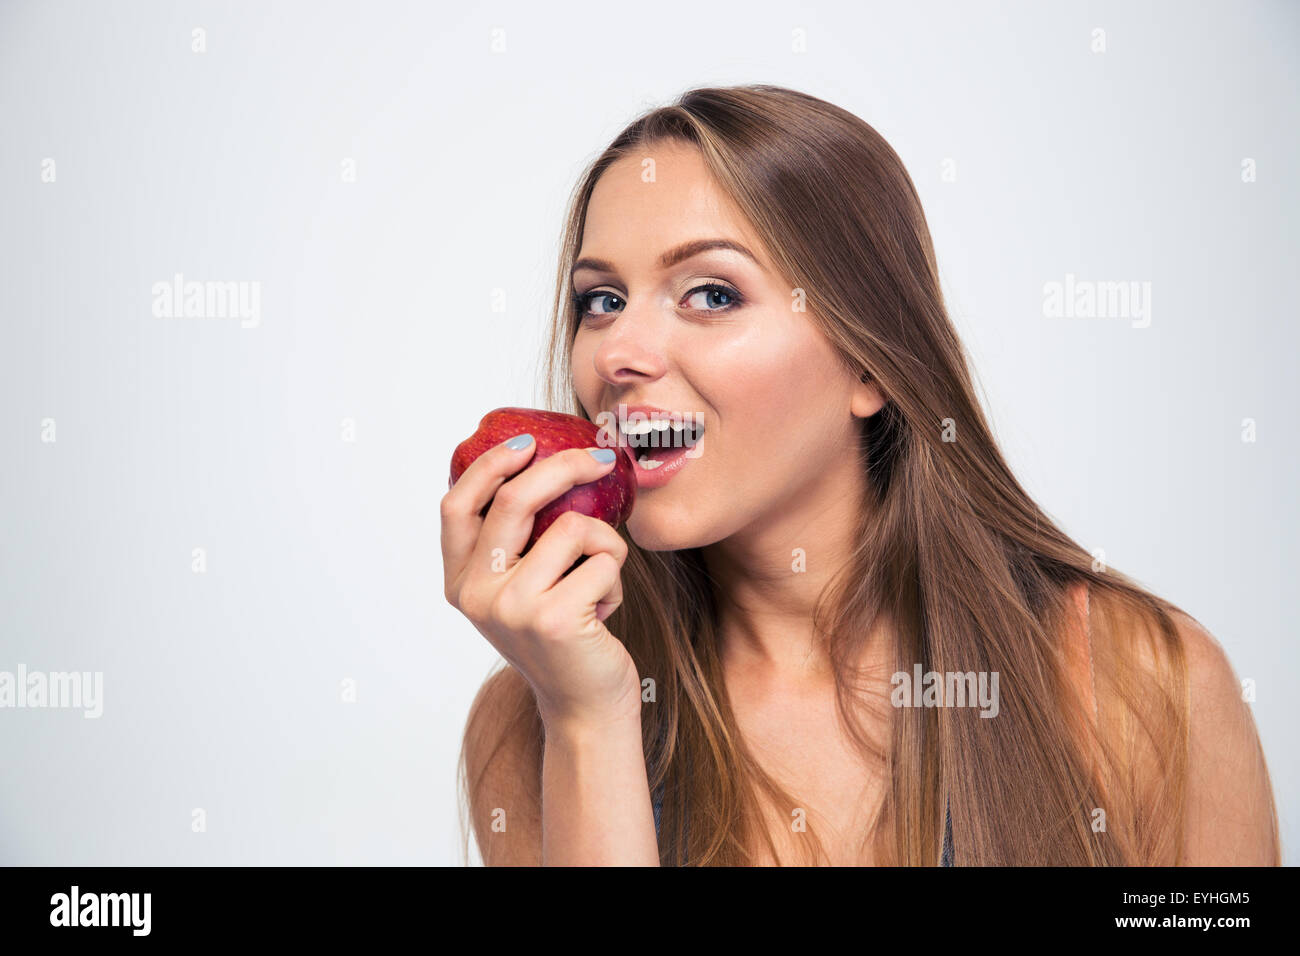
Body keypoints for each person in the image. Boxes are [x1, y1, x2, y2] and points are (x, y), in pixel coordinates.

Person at [445, 84, 1280, 866]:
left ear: (868, 365)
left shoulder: (1139, 682)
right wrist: (586, 722)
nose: (620, 353)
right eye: (602, 301)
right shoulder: (531, 725)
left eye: (710, 293)